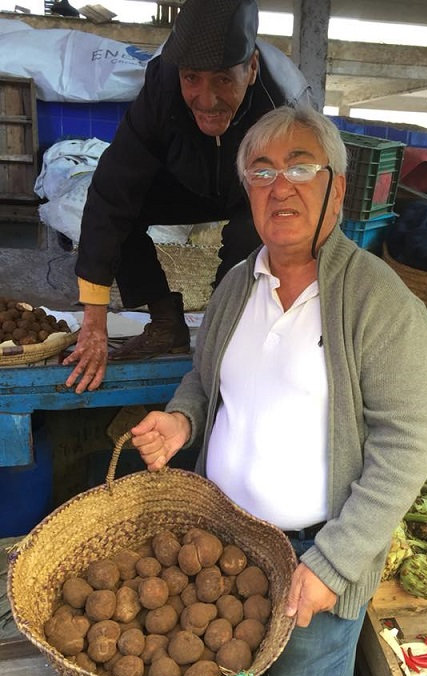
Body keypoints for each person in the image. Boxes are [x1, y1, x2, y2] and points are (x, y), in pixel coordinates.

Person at [130, 105, 427, 676]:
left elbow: (408, 449)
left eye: (301, 166)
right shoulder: (237, 284)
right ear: (247, 189)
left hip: (315, 562)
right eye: (263, 170)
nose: (281, 185)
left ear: (338, 185)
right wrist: (181, 420)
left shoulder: (381, 304)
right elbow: (206, 380)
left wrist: (333, 565)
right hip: (219, 556)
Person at [63, 0, 311, 394]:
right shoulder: (161, 85)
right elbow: (112, 191)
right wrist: (94, 321)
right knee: (120, 213)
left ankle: (225, 328)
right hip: (185, 183)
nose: (206, 99)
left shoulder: (284, 105)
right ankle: (166, 325)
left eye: (223, 81)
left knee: (260, 232)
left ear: (251, 69)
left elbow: (305, 205)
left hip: (252, 188)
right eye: (192, 78)